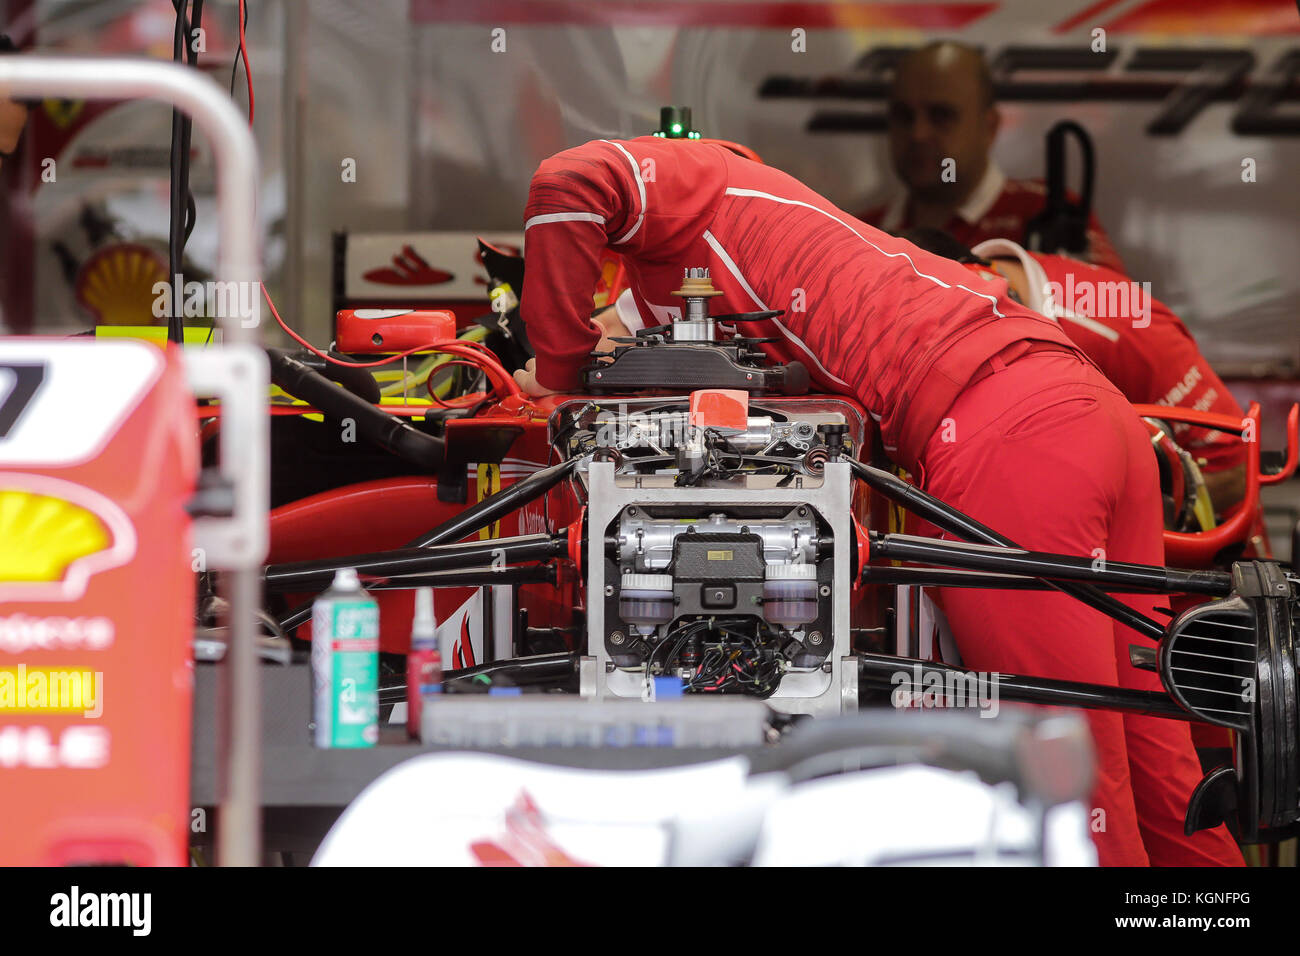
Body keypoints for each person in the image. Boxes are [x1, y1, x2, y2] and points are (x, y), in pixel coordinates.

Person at [513, 134, 1242, 866]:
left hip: (1010, 437)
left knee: (1064, 773)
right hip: (1089, 411)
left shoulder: (691, 178)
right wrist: (564, 355)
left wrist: (561, 358)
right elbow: (634, 329)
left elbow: (566, 176)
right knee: (1155, 755)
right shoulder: (719, 245)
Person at [898, 227, 1249, 516]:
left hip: (1192, 580)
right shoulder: (943, 295)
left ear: (981, 279)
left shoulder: (1123, 324)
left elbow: (1235, 471)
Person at [861, 41, 1125, 273]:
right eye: (903, 115)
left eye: (941, 115)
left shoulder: (1047, 215)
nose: (918, 133)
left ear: (989, 126)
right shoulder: (859, 231)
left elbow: (1115, 313)